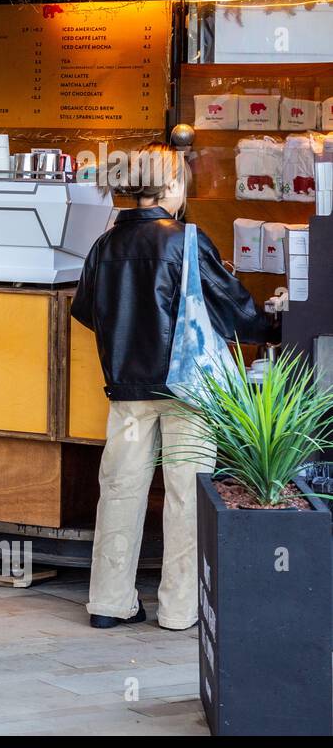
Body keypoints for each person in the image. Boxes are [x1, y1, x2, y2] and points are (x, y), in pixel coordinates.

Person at [71, 144, 274, 631]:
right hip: (188, 389)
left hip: (127, 391)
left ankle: (108, 602)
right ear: (169, 187)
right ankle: (181, 610)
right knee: (186, 494)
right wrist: (271, 324)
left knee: (120, 491)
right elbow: (233, 307)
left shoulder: (104, 244)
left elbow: (85, 311)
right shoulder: (186, 239)